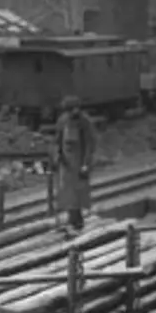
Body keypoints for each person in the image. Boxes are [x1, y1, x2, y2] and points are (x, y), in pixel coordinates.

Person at [54, 96, 96, 235]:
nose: (73, 112)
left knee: (79, 192)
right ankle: (71, 219)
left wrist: (86, 164)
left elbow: (90, 144)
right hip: (66, 162)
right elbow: (58, 140)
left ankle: (77, 220)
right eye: (71, 110)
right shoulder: (63, 121)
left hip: (79, 161)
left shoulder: (85, 122)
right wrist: (58, 157)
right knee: (66, 191)